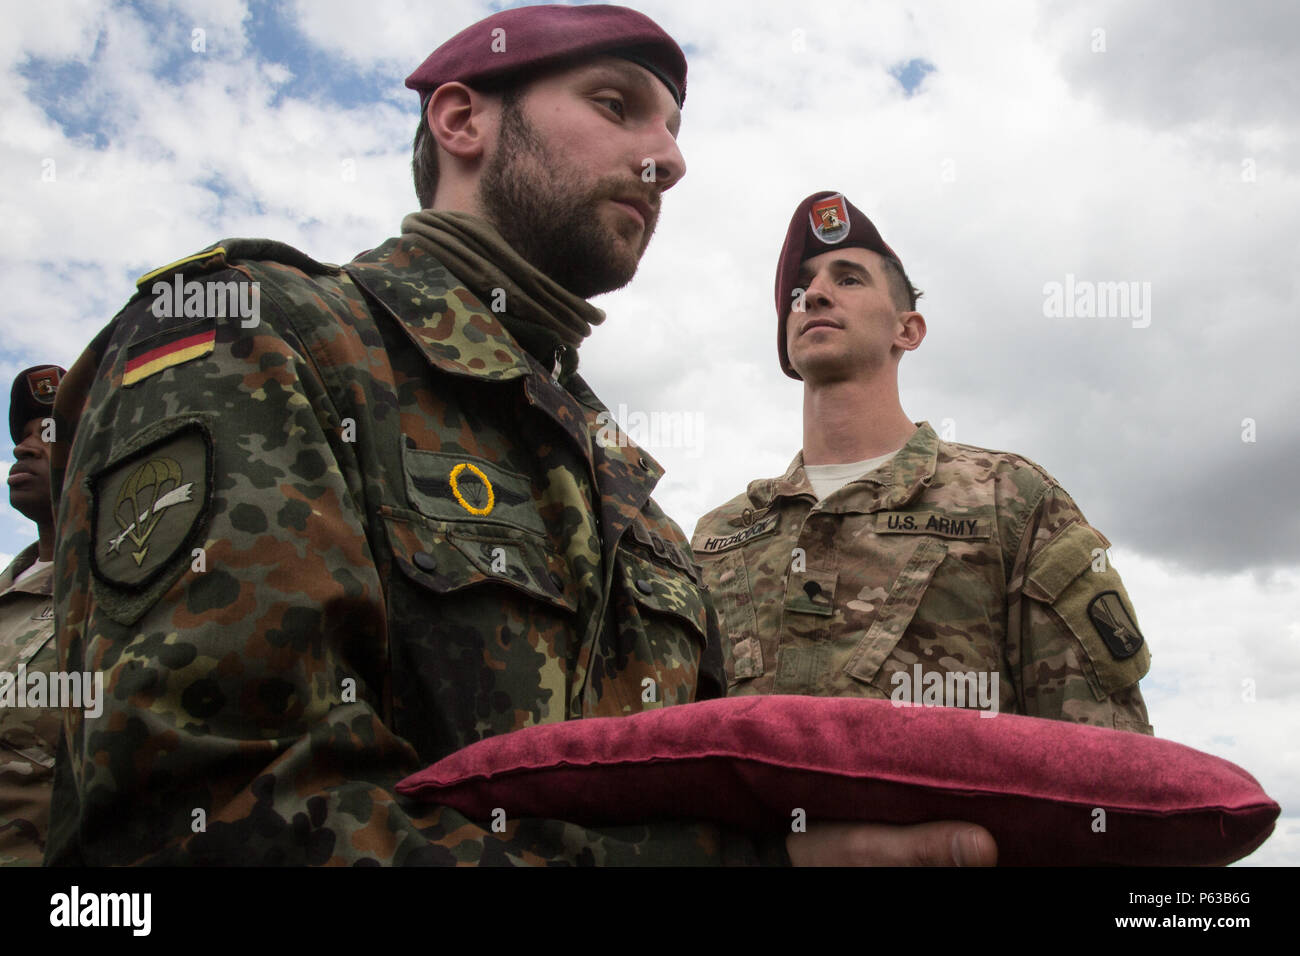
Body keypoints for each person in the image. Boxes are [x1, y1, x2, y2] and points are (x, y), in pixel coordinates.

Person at [692, 190, 1154, 734]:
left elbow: (1102, 752)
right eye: (801, 289)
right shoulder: (718, 536)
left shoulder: (1012, 502)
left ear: (907, 330)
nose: (814, 295)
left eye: (848, 279)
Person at [0, 365, 65, 865]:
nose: (25, 448)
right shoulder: (8, 591)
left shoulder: (117, 594)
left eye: (52, 434)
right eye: (23, 437)